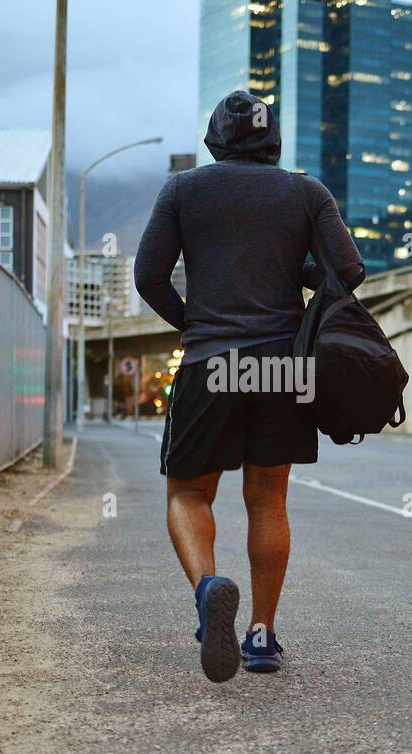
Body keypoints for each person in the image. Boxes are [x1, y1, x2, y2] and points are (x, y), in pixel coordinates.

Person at [134, 90, 366, 682]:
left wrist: (194, 324)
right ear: (272, 138)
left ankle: (210, 590)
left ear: (215, 138)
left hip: (211, 361)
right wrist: (295, 270)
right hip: (281, 369)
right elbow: (348, 272)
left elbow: (149, 277)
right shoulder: (306, 191)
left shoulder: (183, 190)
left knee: (189, 495)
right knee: (268, 499)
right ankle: (261, 636)